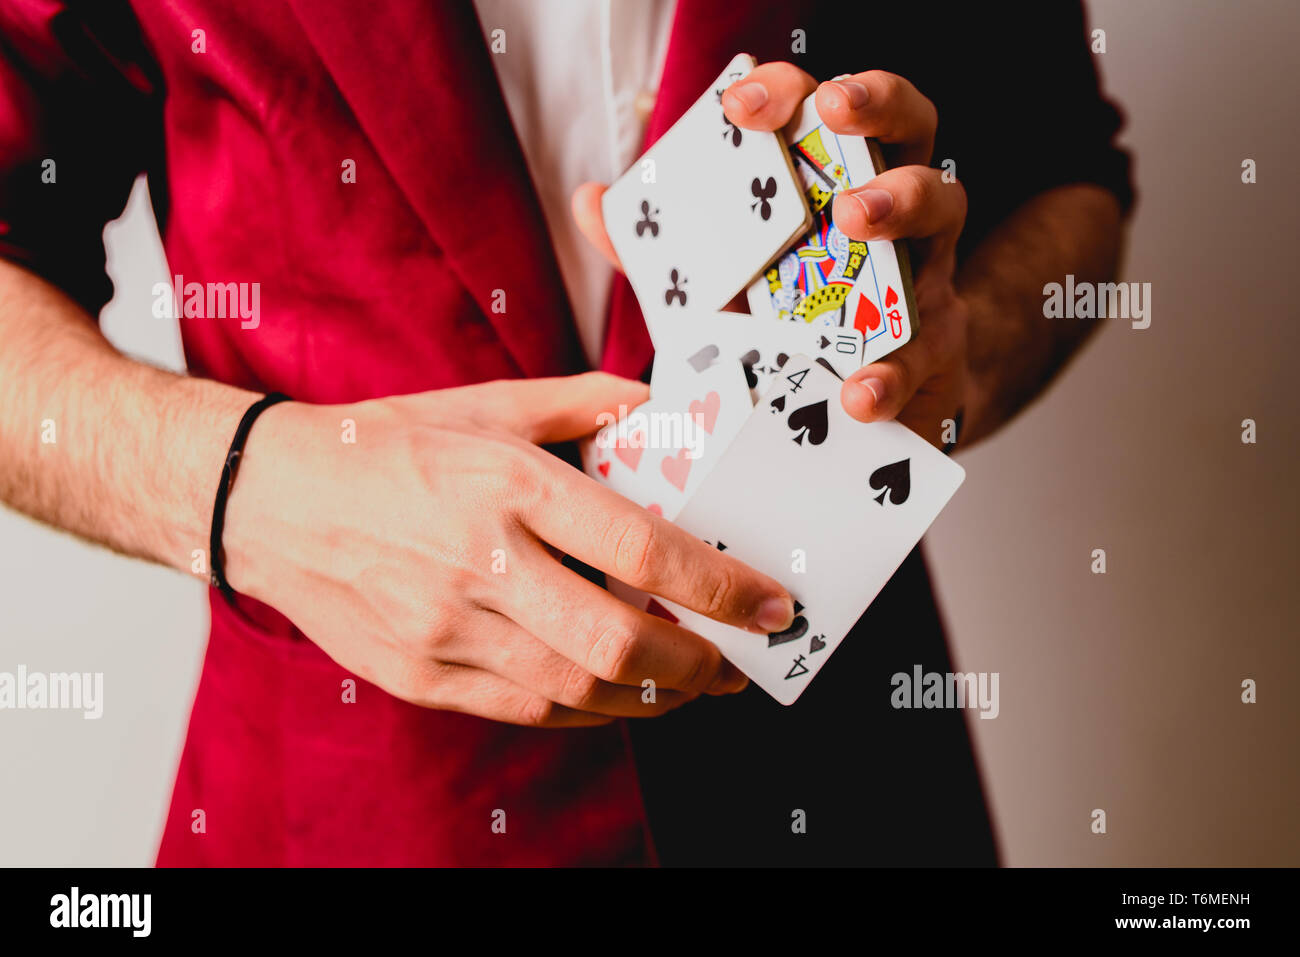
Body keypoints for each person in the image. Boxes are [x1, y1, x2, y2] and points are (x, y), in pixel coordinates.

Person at [0, 0, 1131, 865]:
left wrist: (960, 357)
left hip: (835, 769)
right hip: (356, 801)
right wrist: (248, 487)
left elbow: (1066, 170)